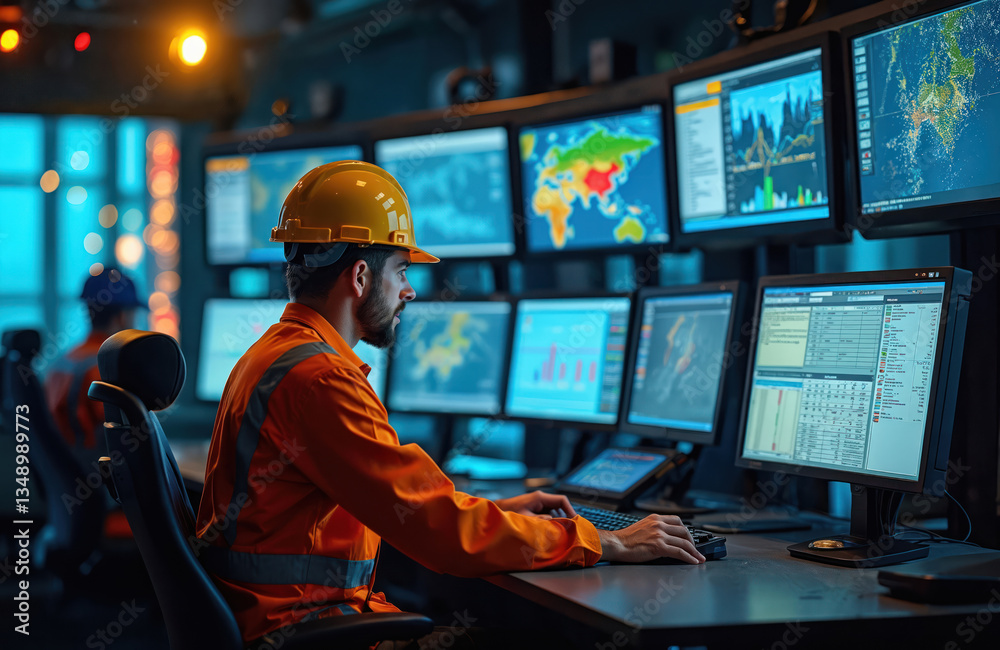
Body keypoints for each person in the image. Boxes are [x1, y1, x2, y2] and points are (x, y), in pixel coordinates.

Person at [194, 161, 704, 647]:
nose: (410, 291)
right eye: (401, 270)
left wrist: (501, 513)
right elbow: (439, 532)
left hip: (278, 622)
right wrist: (603, 541)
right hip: (308, 628)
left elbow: (408, 509)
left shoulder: (275, 355)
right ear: (359, 278)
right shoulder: (322, 380)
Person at [45, 267, 143, 456]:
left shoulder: (61, 363)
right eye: (134, 314)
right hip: (97, 475)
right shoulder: (109, 370)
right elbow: (125, 438)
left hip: (70, 471)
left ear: (89, 312)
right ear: (122, 317)